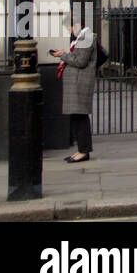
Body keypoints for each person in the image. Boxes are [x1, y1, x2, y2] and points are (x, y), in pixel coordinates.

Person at [51, 19, 98, 164]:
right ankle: (81, 150)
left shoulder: (86, 37)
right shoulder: (81, 38)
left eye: (69, 27)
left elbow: (80, 61)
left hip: (80, 83)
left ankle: (83, 151)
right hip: (76, 83)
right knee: (77, 117)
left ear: (76, 25)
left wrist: (63, 55)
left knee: (80, 117)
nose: (69, 31)